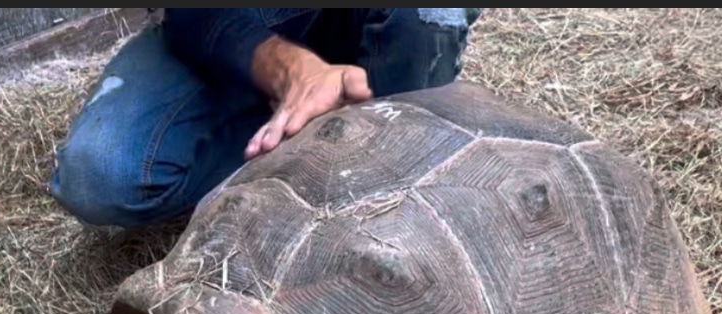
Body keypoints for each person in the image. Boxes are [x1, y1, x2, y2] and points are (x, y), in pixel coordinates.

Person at [49, 8, 481, 229]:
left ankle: (398, 155)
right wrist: (287, 70)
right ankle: (300, 145)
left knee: (430, 12)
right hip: (239, 24)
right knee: (100, 177)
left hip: (376, 33)